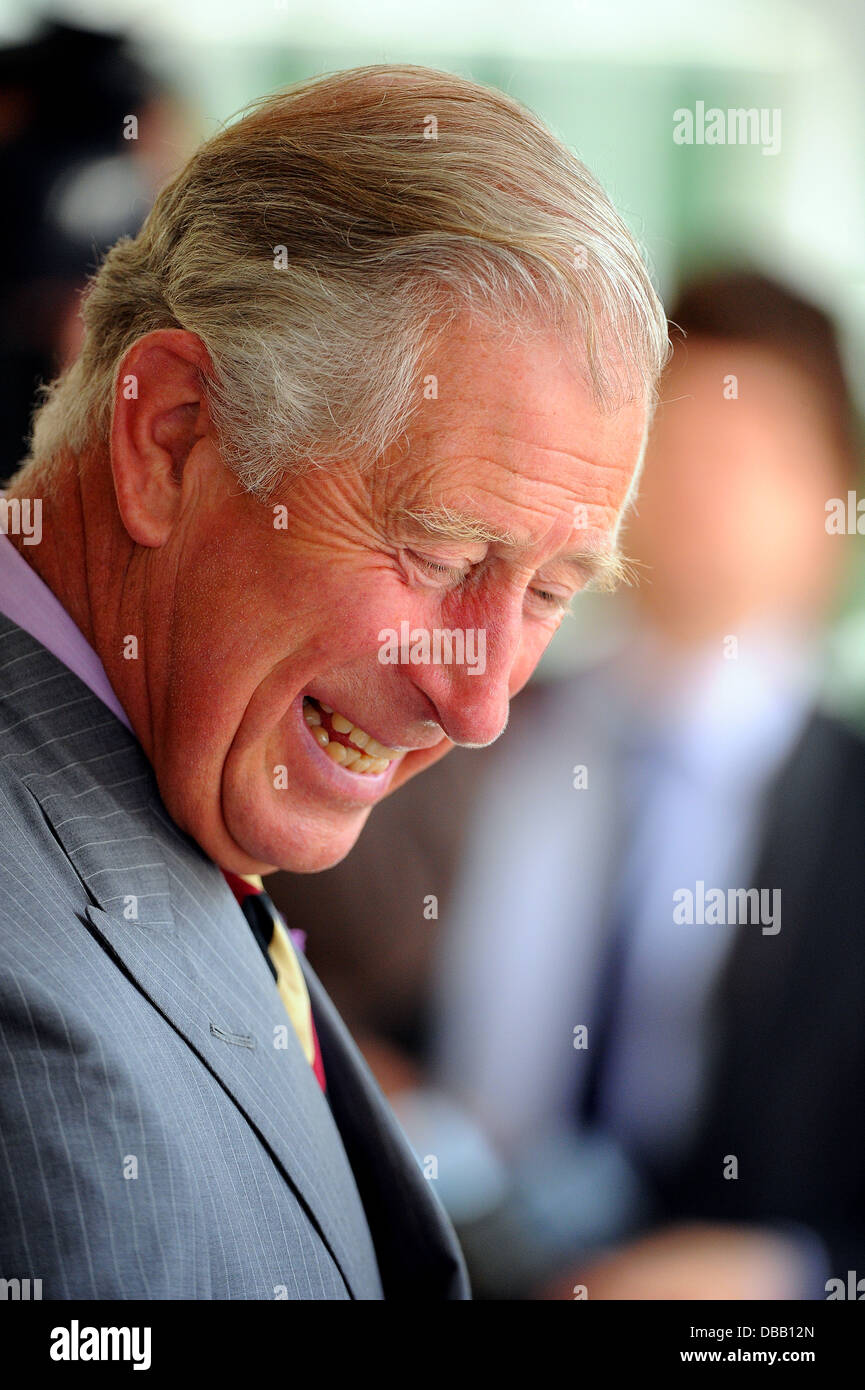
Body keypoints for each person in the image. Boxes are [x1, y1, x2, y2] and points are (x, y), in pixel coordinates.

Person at [0, 63, 665, 1299]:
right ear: (172, 435)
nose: (480, 705)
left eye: (549, 594)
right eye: (443, 553)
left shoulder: (162, 785)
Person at [273, 271, 865, 1300]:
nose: (697, 489)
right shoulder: (461, 722)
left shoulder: (849, 809)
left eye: (748, 453)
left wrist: (790, 1275)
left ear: (836, 507)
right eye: (668, 446)